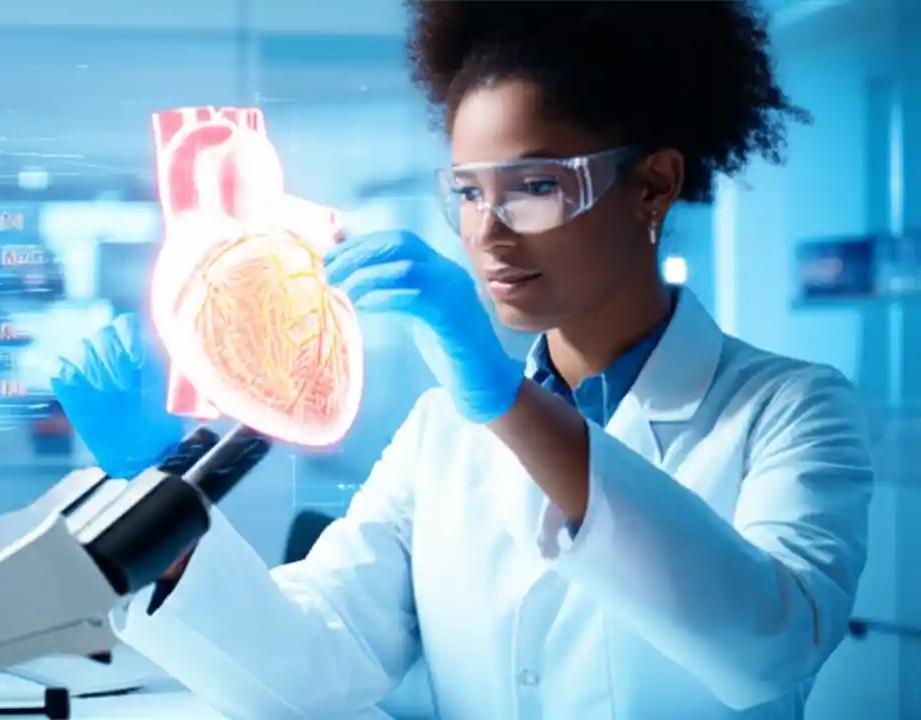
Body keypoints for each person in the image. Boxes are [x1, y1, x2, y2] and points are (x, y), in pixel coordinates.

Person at [52, 2, 874, 718]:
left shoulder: (793, 409)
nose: (487, 232)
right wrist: (161, 508)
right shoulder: (440, 429)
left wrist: (506, 405)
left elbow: (767, 649)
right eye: (470, 191)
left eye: (535, 186)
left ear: (653, 185)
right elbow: (317, 663)